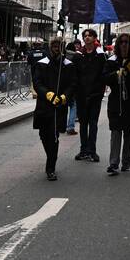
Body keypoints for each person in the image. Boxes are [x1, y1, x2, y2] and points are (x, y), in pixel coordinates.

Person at [33, 36, 76, 181]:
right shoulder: (41, 64)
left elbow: (72, 84)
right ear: (51, 47)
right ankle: (50, 156)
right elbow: (37, 83)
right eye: (55, 46)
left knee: (55, 136)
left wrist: (65, 96)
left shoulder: (68, 65)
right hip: (44, 105)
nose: (57, 49)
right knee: (44, 135)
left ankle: (50, 167)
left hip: (59, 107)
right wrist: (48, 94)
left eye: (59, 46)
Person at [105, 33, 130, 175]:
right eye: (121, 42)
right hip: (116, 102)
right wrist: (116, 74)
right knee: (116, 131)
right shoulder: (112, 61)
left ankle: (126, 162)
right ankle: (113, 163)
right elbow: (104, 78)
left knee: (128, 131)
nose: (123, 45)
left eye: (126, 42)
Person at [72, 28, 108, 161]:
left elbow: (104, 74)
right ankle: (83, 149)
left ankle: (92, 150)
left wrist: (100, 90)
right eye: (85, 36)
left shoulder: (101, 55)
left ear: (94, 38)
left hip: (95, 95)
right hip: (81, 95)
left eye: (89, 36)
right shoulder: (78, 55)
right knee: (83, 124)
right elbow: (74, 75)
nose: (87, 38)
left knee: (93, 123)